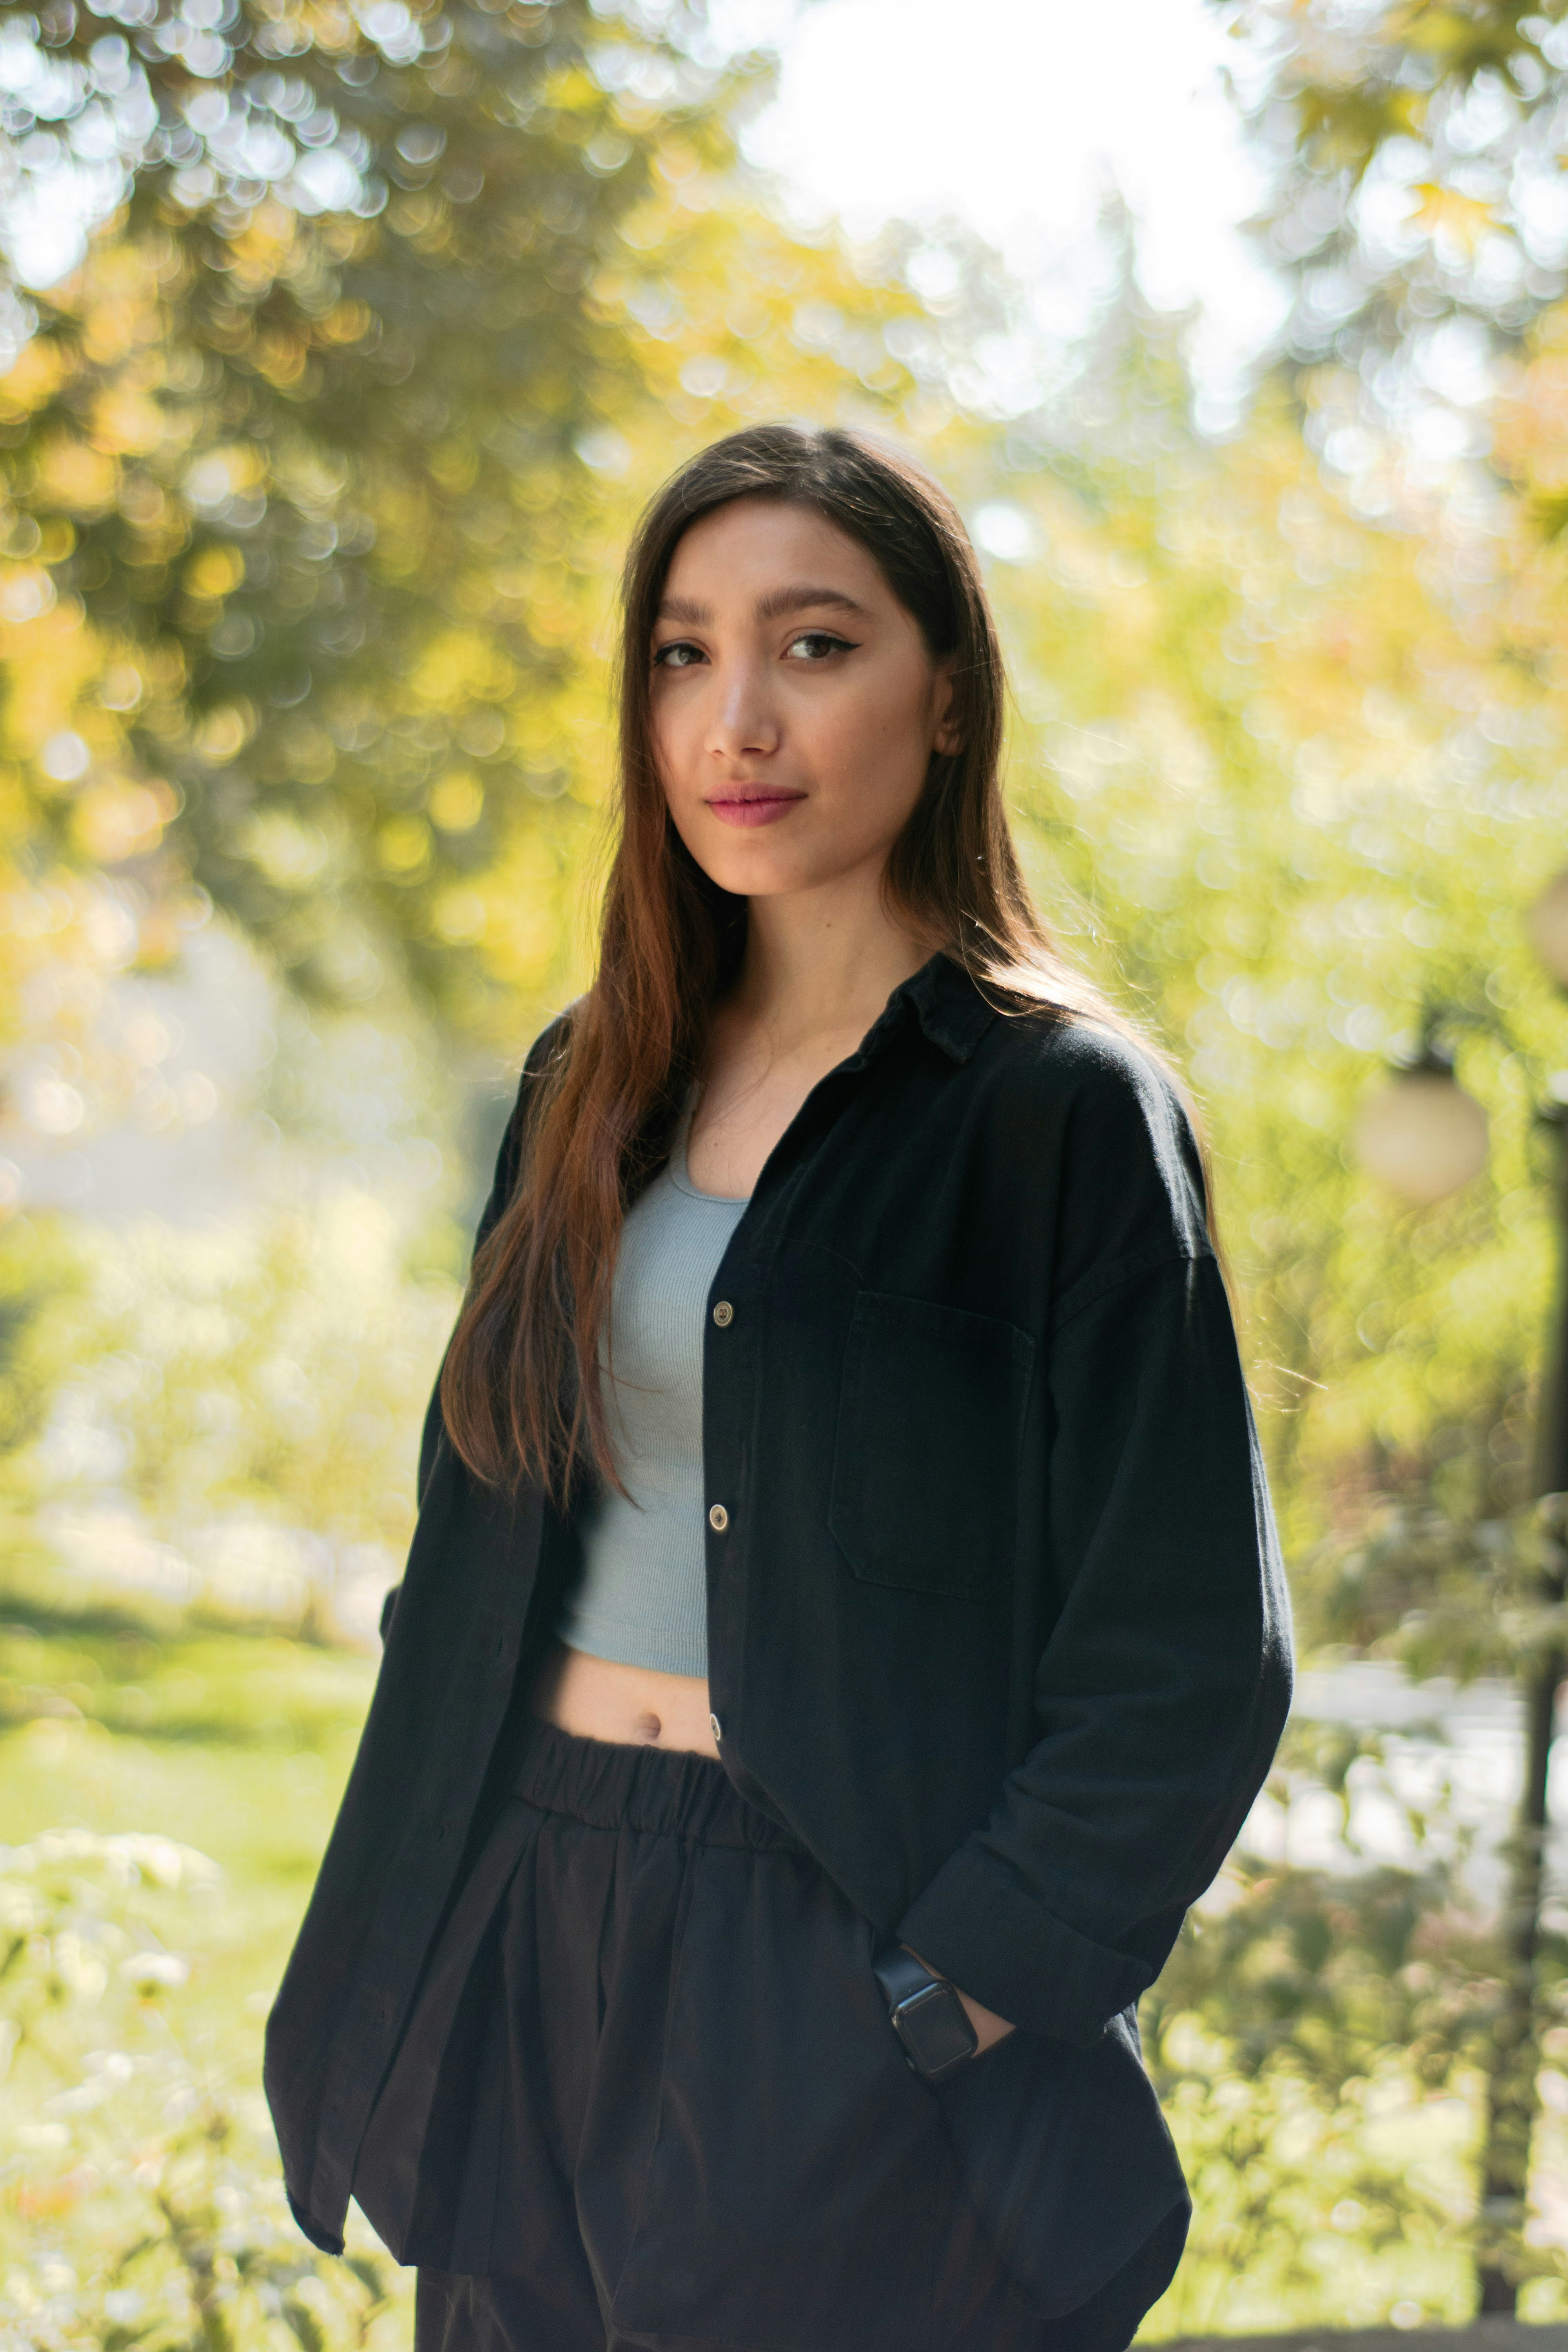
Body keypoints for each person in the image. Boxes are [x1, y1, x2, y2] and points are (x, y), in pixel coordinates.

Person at [265, 423, 1293, 2352]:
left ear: (952, 699)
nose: (736, 716)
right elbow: (464, 1554)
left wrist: (935, 2002)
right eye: (682, 651)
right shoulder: (589, 1082)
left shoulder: (1060, 1117)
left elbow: (1186, 1663)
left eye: (814, 646)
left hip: (837, 1951)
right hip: (528, 1909)